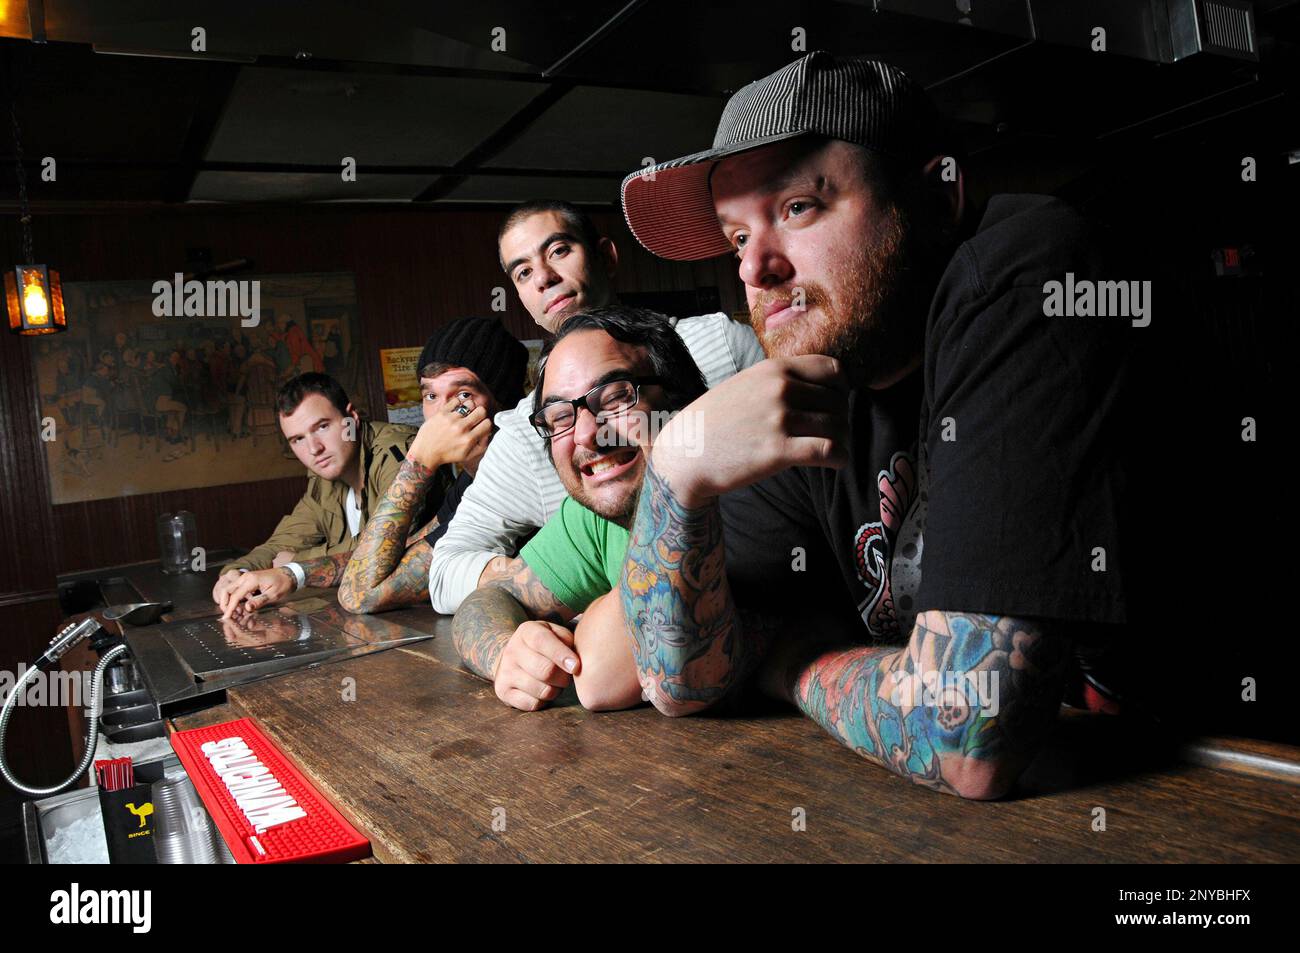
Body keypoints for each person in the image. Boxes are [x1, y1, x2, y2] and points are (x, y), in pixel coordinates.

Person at [613, 52, 1135, 800]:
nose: (756, 267)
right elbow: (678, 681)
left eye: (797, 206)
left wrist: (796, 662)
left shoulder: (1031, 272)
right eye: (735, 237)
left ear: (937, 197)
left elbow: (964, 738)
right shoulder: (820, 385)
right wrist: (675, 473)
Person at [426, 200, 766, 613]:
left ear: (606, 256)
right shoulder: (522, 433)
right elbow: (445, 571)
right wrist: (562, 577)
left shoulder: (722, 344)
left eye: (559, 251)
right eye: (524, 272)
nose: (545, 279)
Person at [451, 305, 706, 712]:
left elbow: (603, 677)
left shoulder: (742, 496)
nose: (587, 432)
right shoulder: (593, 514)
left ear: (683, 401)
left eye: (617, 396)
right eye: (559, 417)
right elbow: (489, 599)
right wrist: (506, 654)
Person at [220, 318, 527, 616]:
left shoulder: (519, 472)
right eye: (431, 395)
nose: (440, 417)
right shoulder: (472, 484)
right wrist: (285, 572)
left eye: (463, 395)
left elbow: (362, 591)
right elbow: (399, 556)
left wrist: (419, 458)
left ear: (504, 403)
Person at [211, 372, 417, 610]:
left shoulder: (400, 456)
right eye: (297, 439)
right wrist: (237, 573)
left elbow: (385, 547)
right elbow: (281, 543)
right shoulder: (324, 478)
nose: (314, 449)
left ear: (351, 418)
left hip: (427, 617)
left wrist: (295, 565)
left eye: (322, 427)